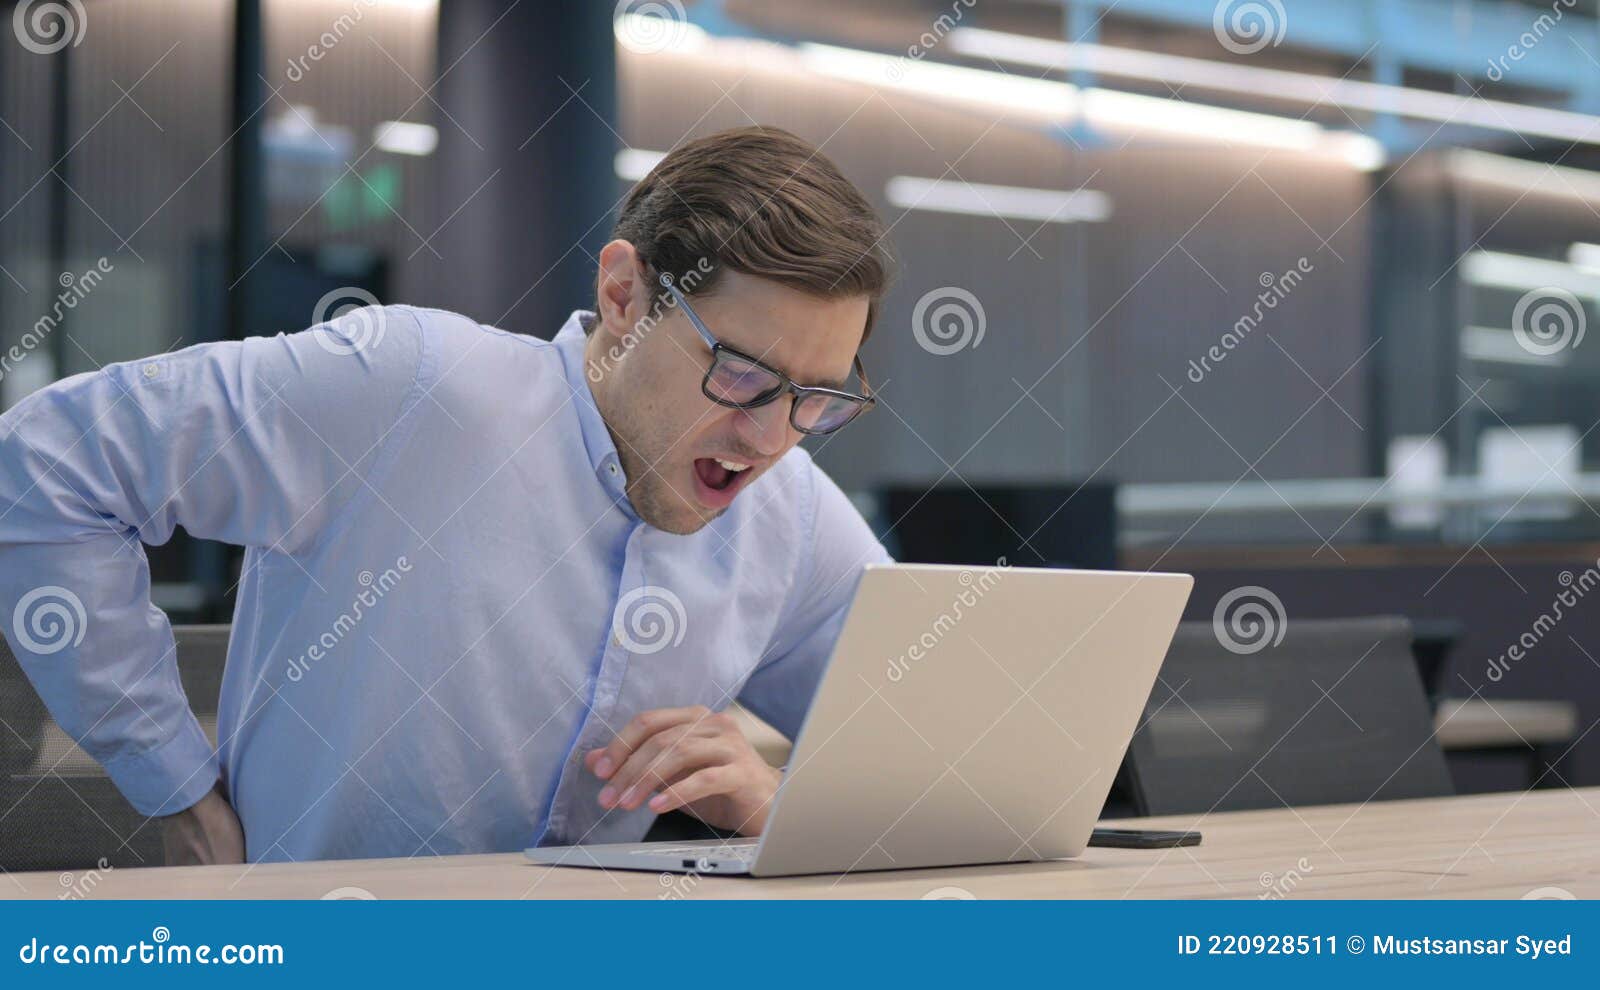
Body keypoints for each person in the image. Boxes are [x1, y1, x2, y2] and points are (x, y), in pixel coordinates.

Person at [0, 126, 893, 864]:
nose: (775, 438)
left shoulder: (794, 513)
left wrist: (778, 804)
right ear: (625, 295)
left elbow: (959, 759)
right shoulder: (408, 388)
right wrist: (176, 790)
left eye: (820, 397)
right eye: (740, 375)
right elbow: (45, 464)